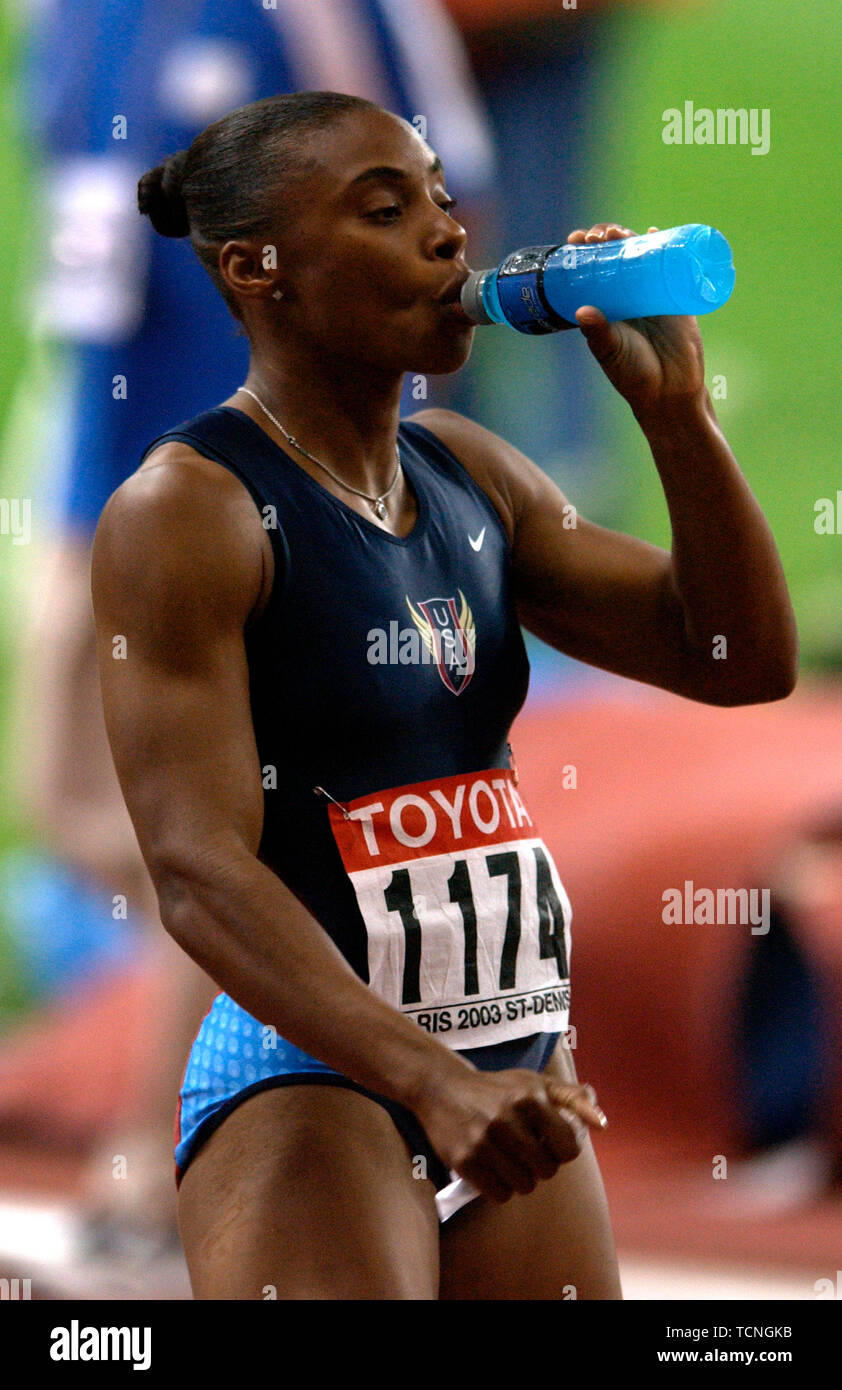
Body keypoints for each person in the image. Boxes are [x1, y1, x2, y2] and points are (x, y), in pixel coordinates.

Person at [91, 90, 797, 1300]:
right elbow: (199, 871)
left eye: (434, 193)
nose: (447, 230)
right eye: (385, 208)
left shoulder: (470, 474)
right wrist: (428, 1080)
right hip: (315, 1083)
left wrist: (675, 417)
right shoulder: (190, 511)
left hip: (511, 1063)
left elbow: (736, 660)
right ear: (258, 269)